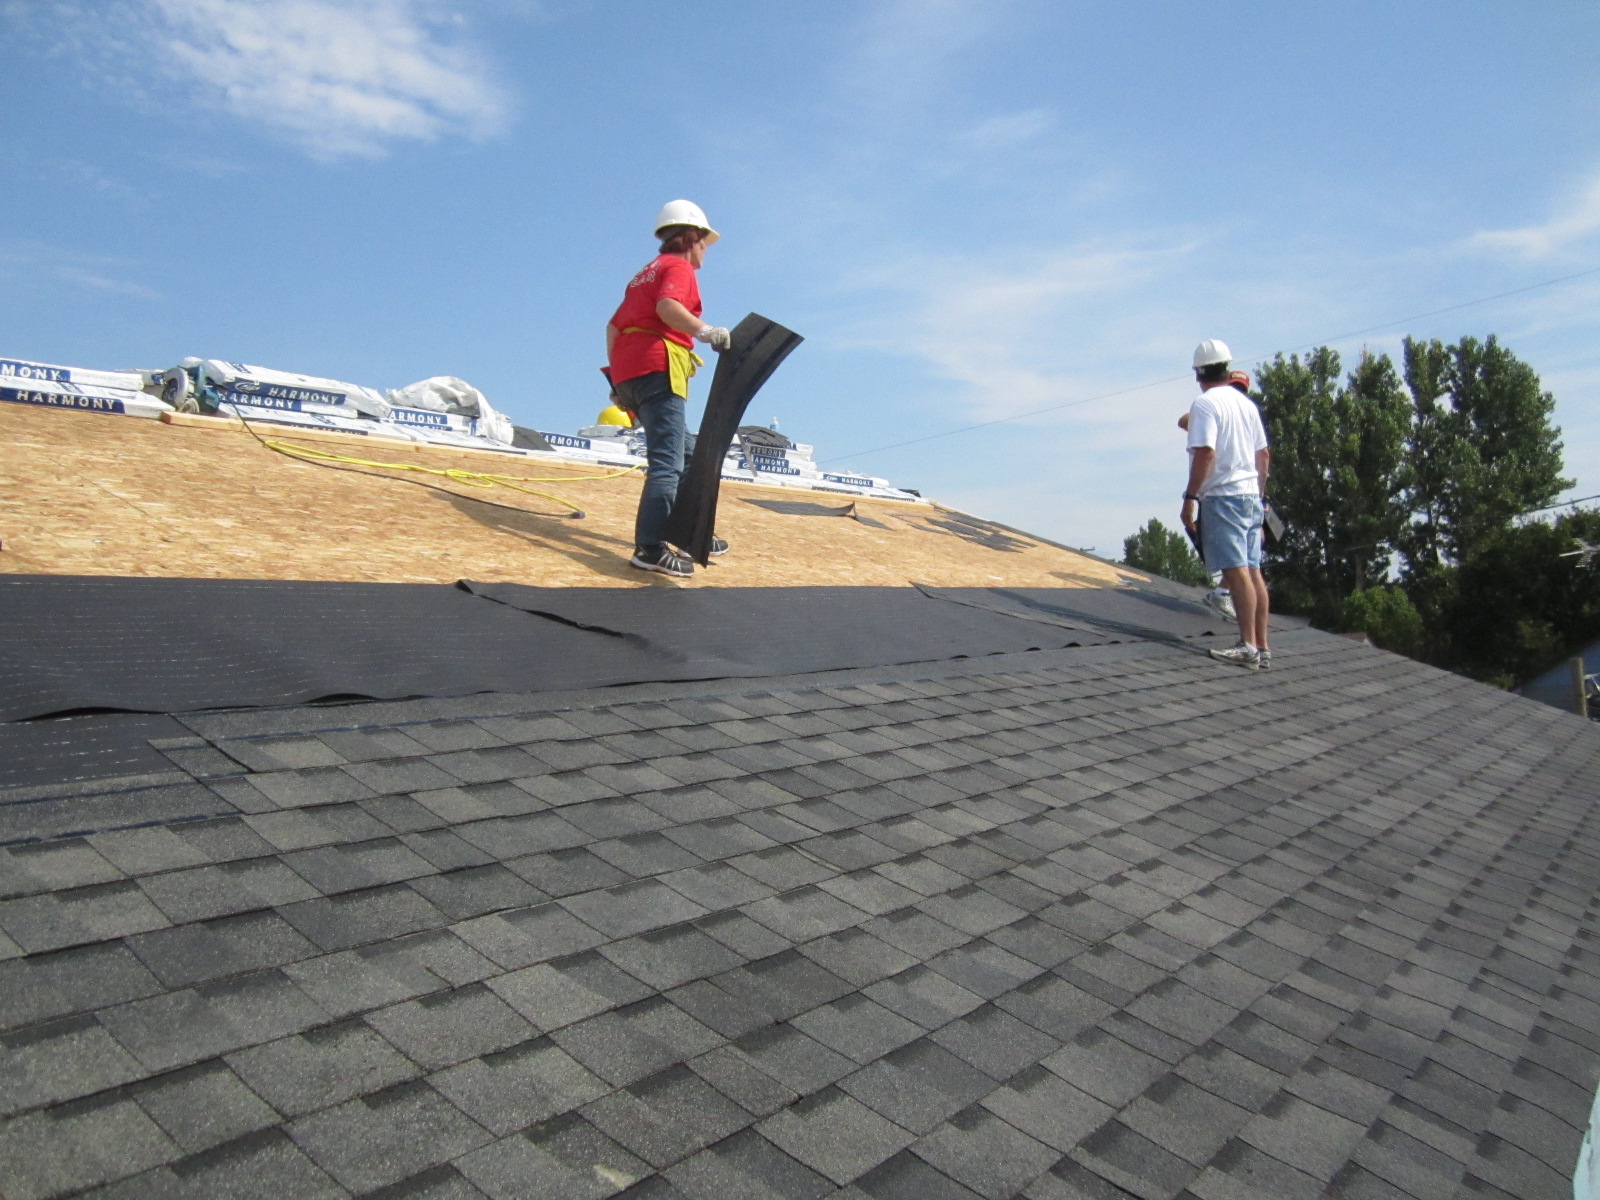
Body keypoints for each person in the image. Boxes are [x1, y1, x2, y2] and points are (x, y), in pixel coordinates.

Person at [606, 200, 732, 577]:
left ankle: (688, 532)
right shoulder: (678, 266)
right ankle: (649, 548)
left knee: (690, 456)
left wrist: (618, 380)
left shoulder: (644, 273)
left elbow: (613, 328)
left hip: (631, 374)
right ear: (692, 238)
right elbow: (667, 307)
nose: (705, 250)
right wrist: (706, 331)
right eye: (704, 243)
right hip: (657, 369)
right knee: (667, 464)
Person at [1181, 340, 1272, 670]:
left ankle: (1247, 645)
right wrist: (1261, 498)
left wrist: (1190, 497)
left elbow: (1205, 453)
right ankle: (1262, 645)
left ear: (1199, 373)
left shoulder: (1205, 405)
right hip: (1250, 497)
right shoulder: (1246, 405)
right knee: (1253, 572)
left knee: (1236, 573)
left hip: (1224, 497)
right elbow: (1263, 455)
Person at [1176, 367, 1254, 621]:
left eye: (1242, 389)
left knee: (1249, 558)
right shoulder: (1212, 408)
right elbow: (1185, 421)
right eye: (1235, 387)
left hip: (1244, 490)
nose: (1237, 392)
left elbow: (1261, 457)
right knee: (1232, 556)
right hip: (1219, 491)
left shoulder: (1246, 414)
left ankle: (1224, 592)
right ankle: (1223, 594)